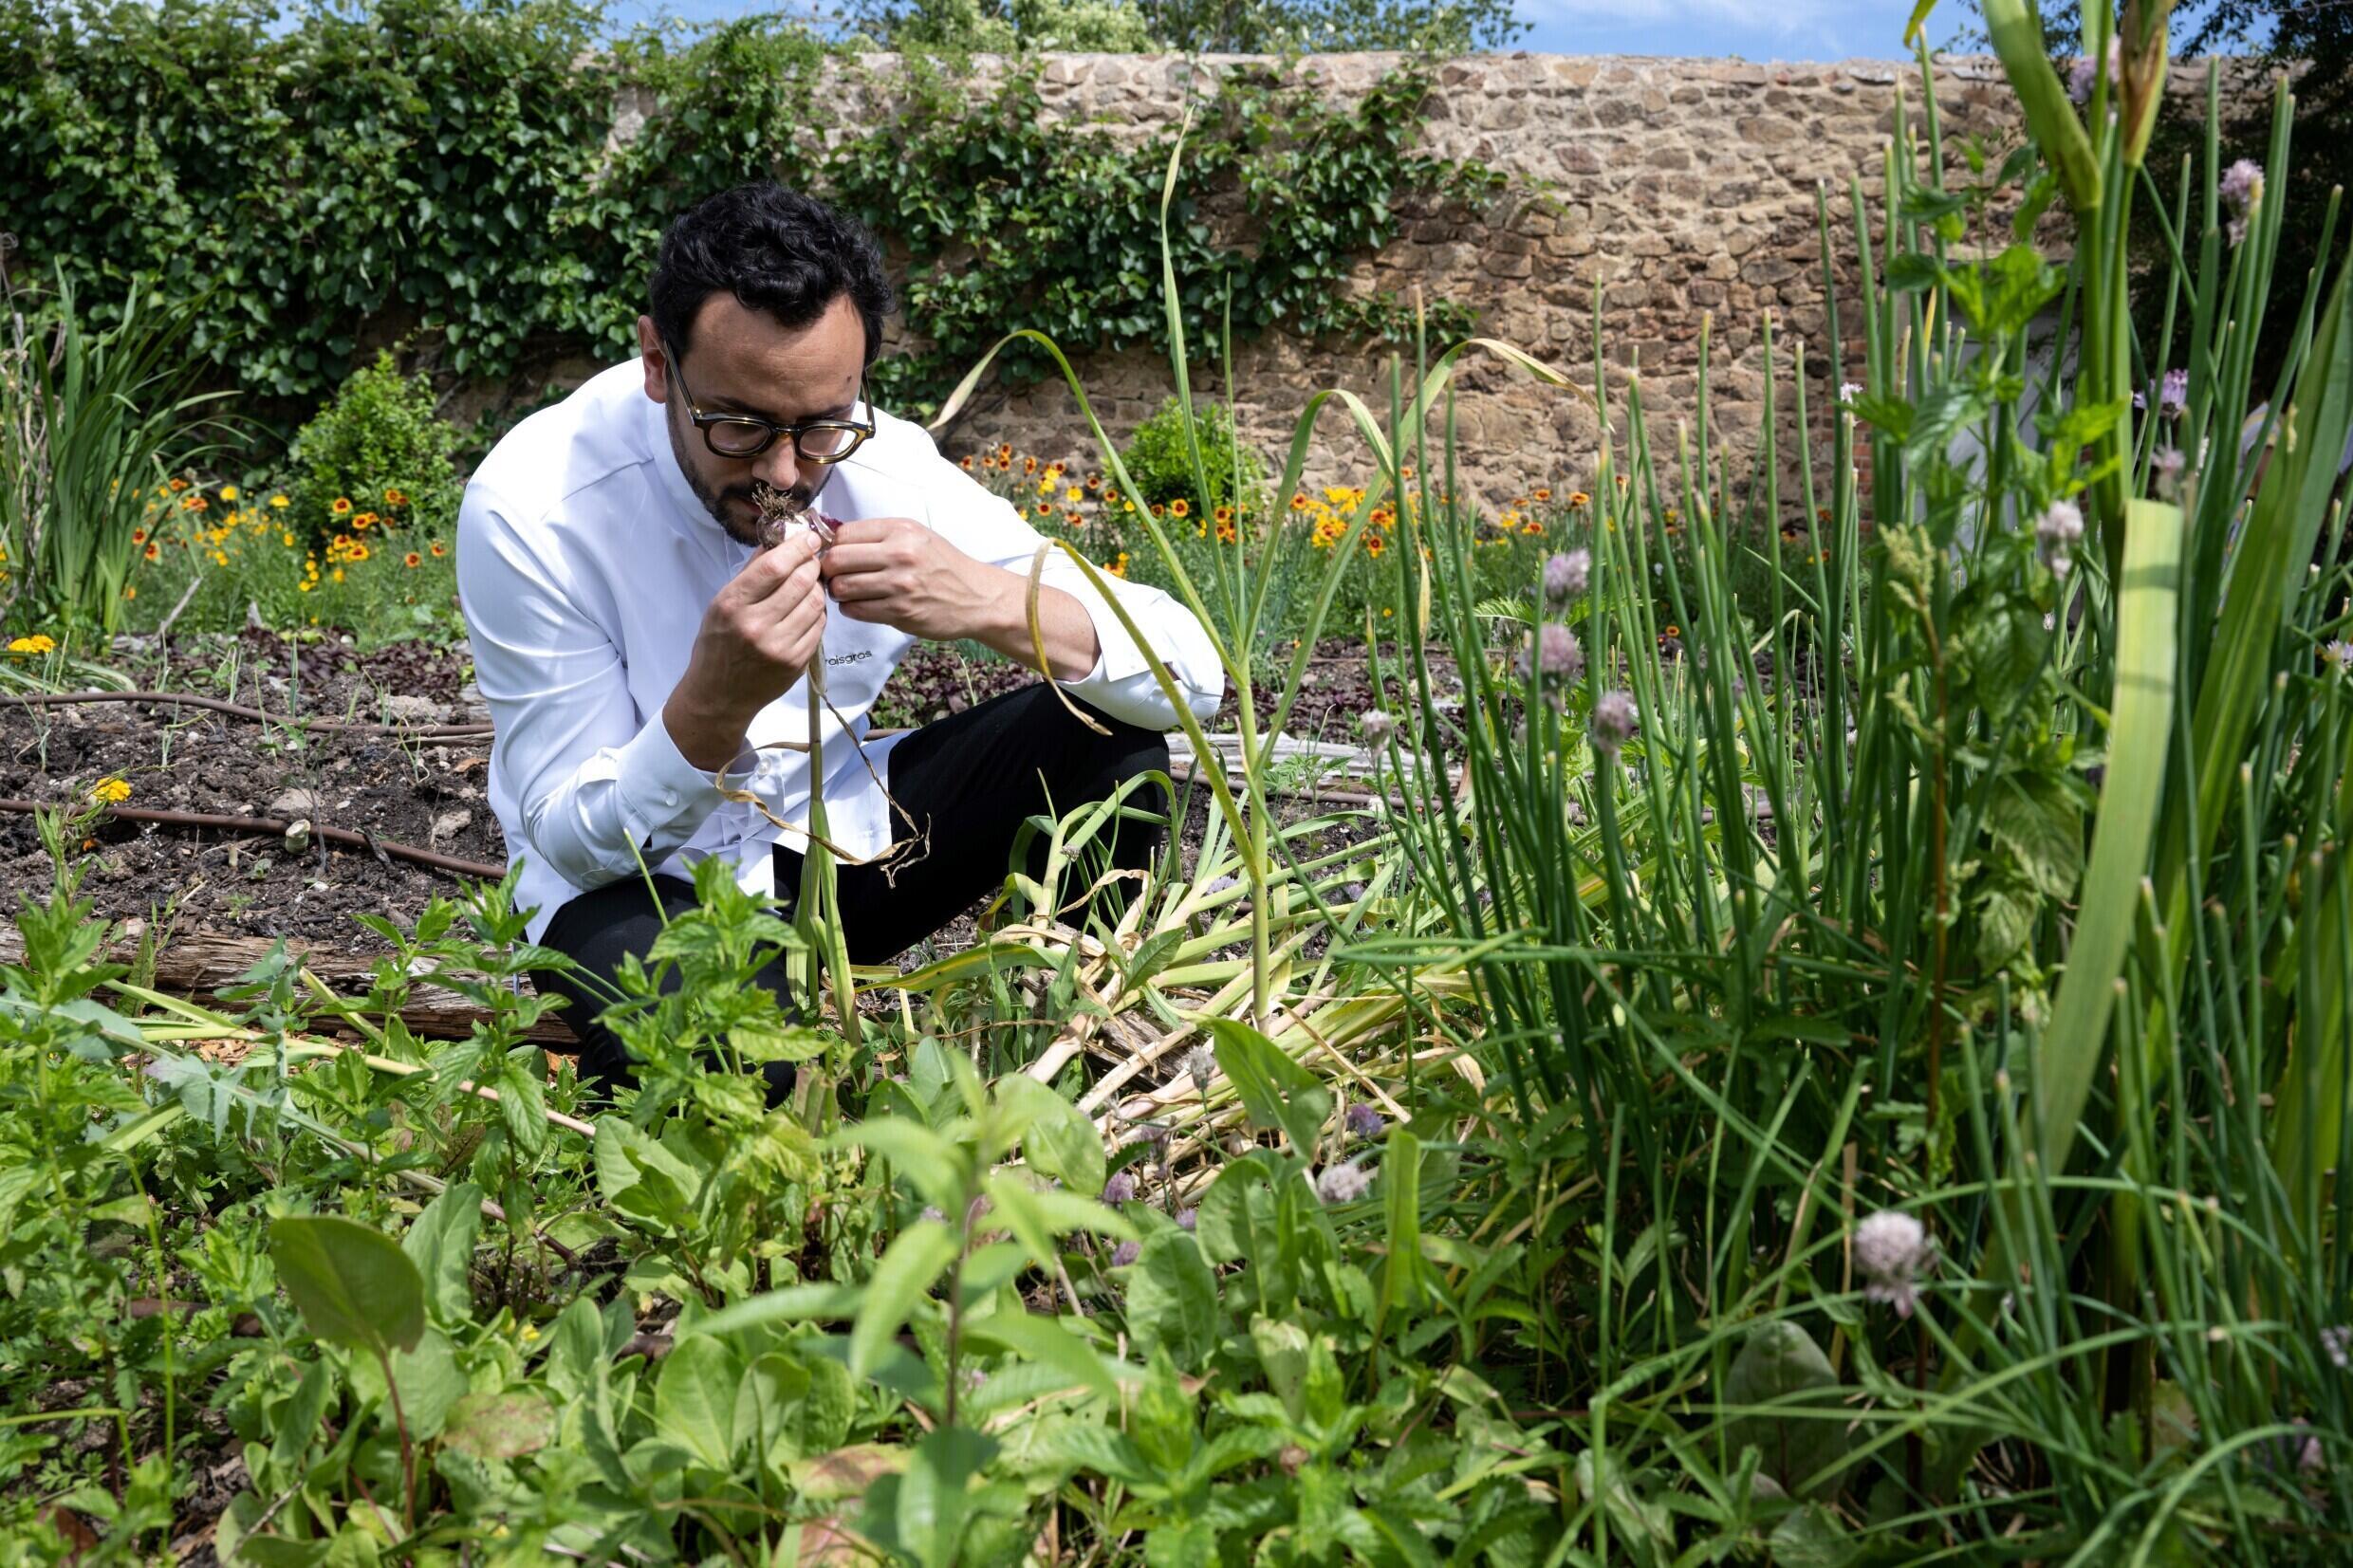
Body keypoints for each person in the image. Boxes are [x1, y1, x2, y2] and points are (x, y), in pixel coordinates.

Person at [456, 181, 1223, 1097]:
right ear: (659, 363)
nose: (786, 471)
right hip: (639, 886)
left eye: (820, 425)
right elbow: (571, 841)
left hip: (838, 849)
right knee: (731, 1074)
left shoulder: (886, 460)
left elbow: (1195, 673)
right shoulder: (534, 507)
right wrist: (712, 703)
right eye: (738, 424)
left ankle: (1081, 1070)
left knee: (1111, 744)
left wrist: (986, 601)